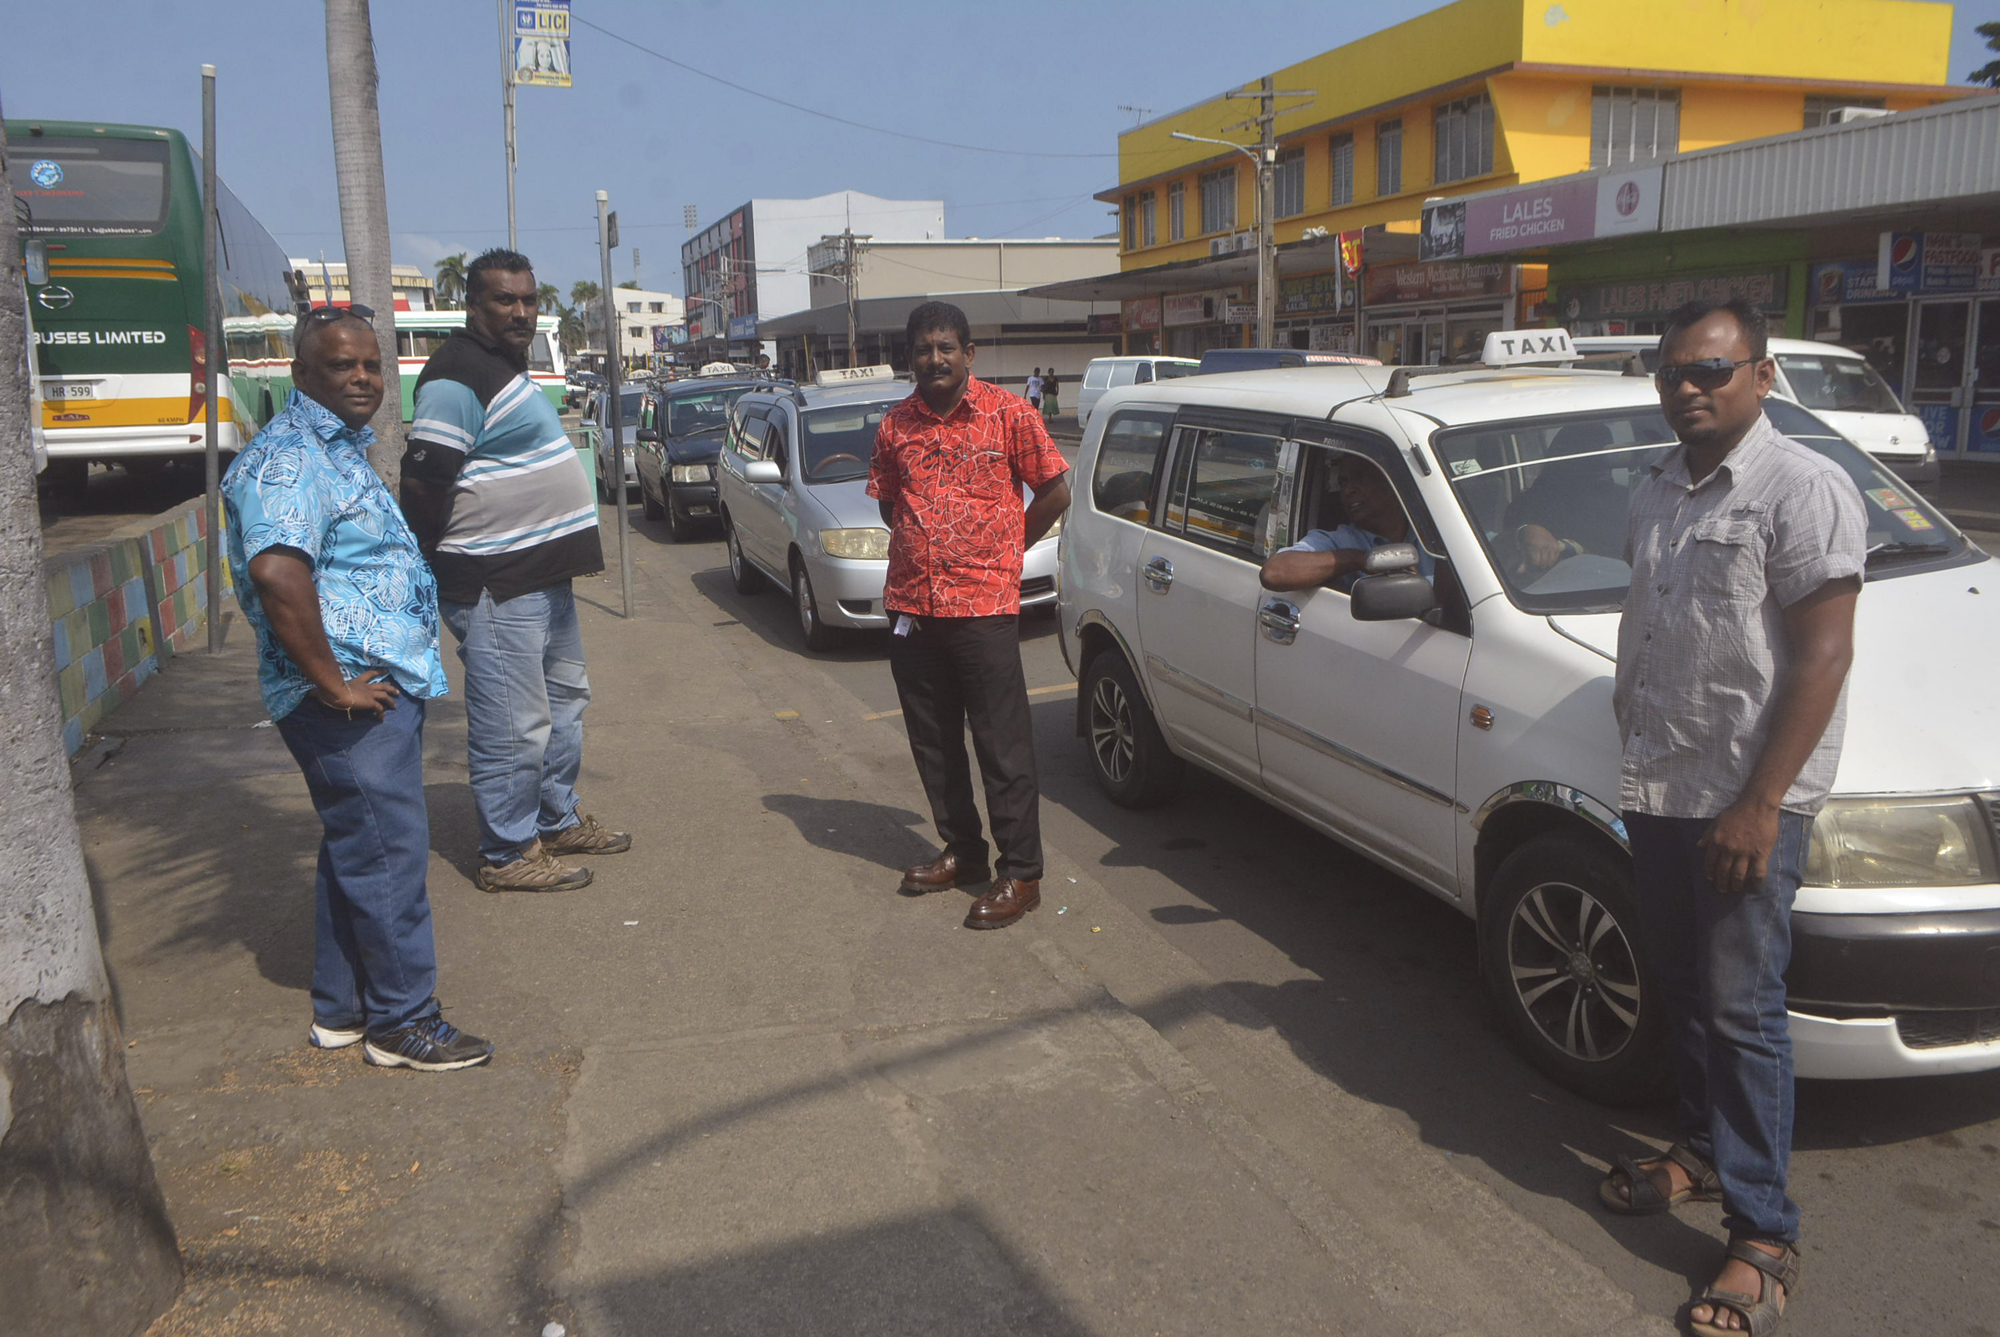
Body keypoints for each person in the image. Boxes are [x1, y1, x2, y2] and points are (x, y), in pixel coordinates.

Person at [1599, 298, 1863, 1337]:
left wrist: (1760, 805)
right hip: (1659, 784)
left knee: (1744, 1011)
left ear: (1761, 374)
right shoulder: (1656, 486)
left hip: (1742, 799)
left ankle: (1762, 1233)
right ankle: (1702, 1150)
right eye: (1672, 372)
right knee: (1684, 987)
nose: (1687, 387)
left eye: (1710, 369)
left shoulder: (1802, 487)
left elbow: (1823, 656)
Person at [222, 308, 492, 1072]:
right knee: (388, 857)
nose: (364, 378)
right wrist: (334, 685)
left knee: (359, 845)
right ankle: (403, 1022)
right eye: (343, 365)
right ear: (301, 374)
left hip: (374, 689)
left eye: (373, 364)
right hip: (344, 703)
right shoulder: (289, 458)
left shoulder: (334, 446)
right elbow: (278, 572)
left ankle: (342, 1009)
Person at [400, 248, 631, 894]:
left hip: (542, 577)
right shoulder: (457, 375)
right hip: (496, 584)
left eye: (528, 299)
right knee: (513, 723)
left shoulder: (502, 367)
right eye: (505, 300)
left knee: (564, 704)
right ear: (473, 305)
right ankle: (506, 851)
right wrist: (433, 559)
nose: (521, 312)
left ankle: (554, 819)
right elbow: (422, 482)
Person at [868, 302, 1071, 929]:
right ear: (910, 357)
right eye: (923, 349)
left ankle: (1022, 873)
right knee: (933, 743)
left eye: (946, 348)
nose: (935, 359)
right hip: (913, 606)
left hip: (983, 607)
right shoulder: (894, 426)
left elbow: (1055, 490)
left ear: (968, 354)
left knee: (1001, 745)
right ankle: (964, 849)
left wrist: (1004, 551)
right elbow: (888, 504)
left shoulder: (1009, 414)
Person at [1259, 455, 1433, 593]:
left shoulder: (1434, 535)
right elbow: (1273, 573)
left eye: (1362, 478)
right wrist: (1364, 560)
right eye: (1343, 483)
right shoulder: (1340, 541)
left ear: (1396, 484)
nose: (1348, 490)